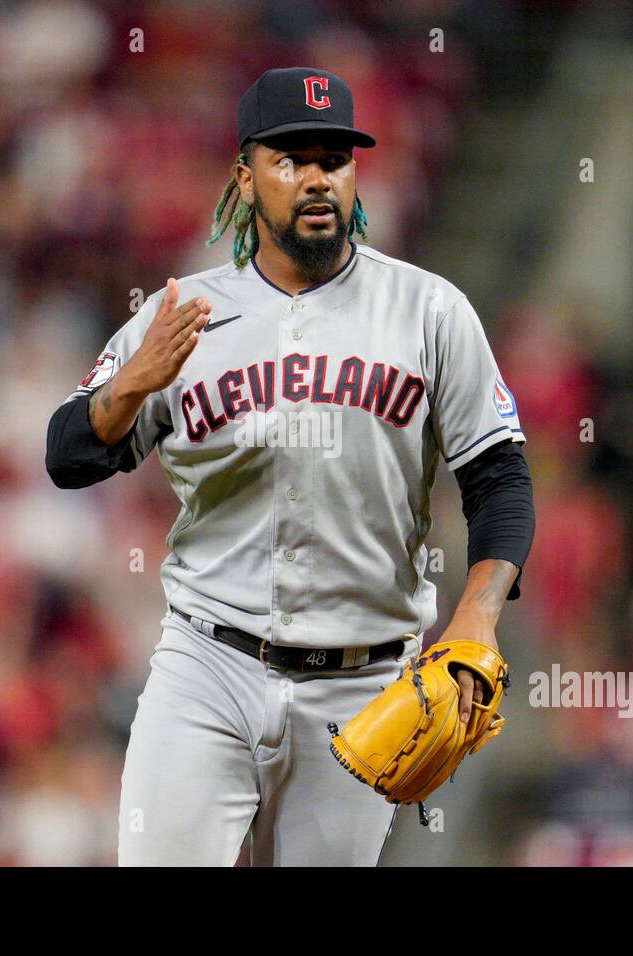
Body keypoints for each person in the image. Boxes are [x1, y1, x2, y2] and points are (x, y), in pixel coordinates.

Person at [46, 67, 535, 866]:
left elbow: (499, 479)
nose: (316, 178)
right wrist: (130, 385)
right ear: (245, 177)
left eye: (333, 159)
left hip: (363, 683)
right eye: (290, 159)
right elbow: (67, 456)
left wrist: (478, 613)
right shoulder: (185, 312)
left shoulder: (428, 310)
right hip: (208, 666)